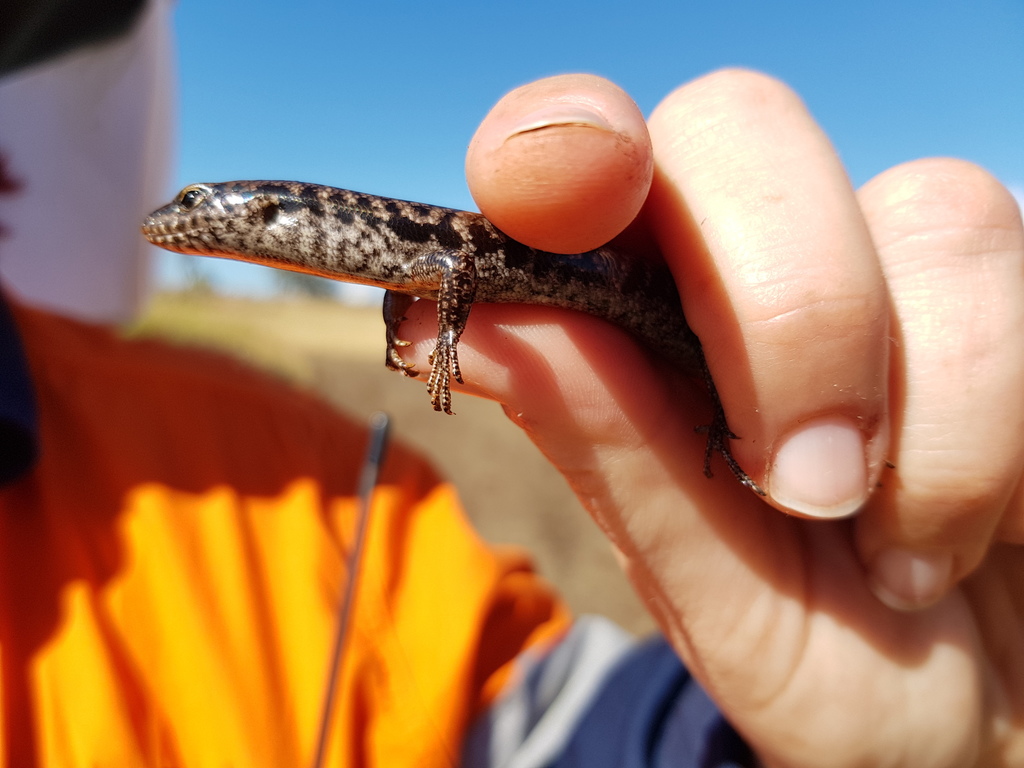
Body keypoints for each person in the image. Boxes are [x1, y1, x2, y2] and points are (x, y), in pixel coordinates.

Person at [3, 4, 1024, 768]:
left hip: (623, 298)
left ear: (261, 216)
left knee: (706, 363)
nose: (185, 221)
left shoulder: (321, 496)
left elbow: (451, 268)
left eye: (199, 211)